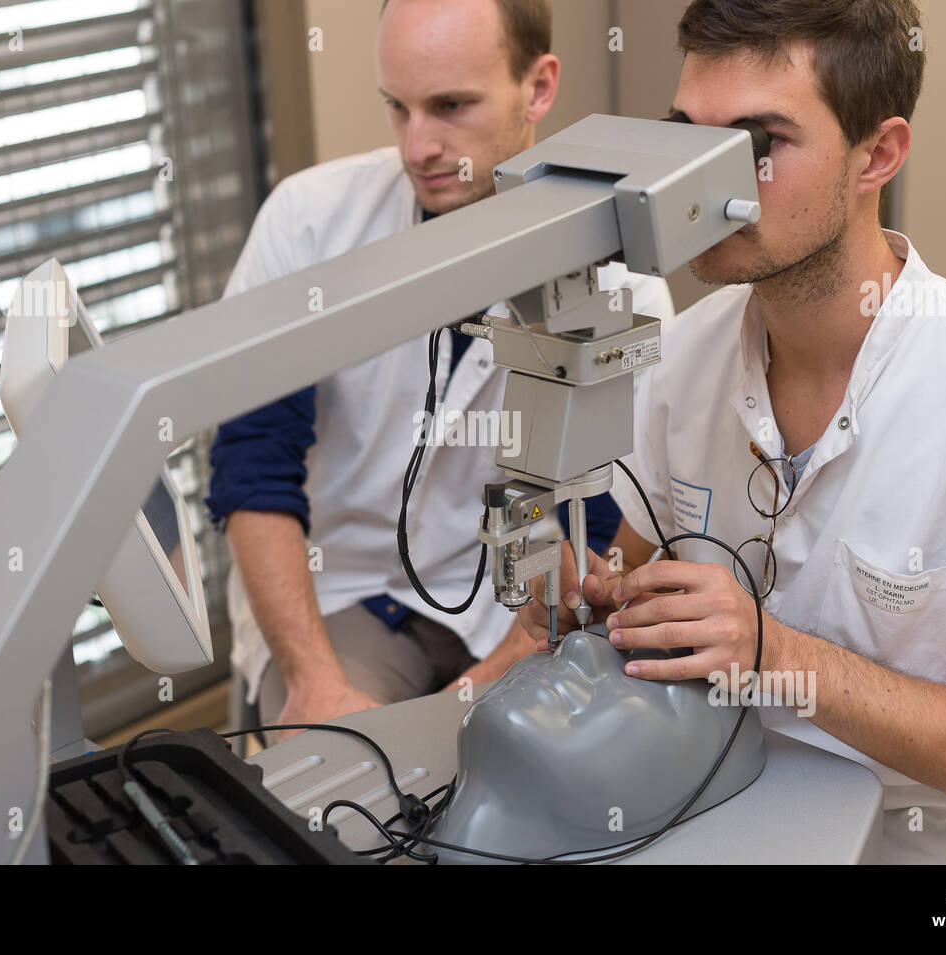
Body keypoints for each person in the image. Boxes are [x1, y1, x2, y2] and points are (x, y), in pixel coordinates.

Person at [522, 0, 946, 864]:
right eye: (687, 135)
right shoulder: (676, 360)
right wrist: (594, 598)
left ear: (878, 155)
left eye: (759, 145)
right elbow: (635, 575)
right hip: (727, 819)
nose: (701, 187)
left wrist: (775, 653)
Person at [206, 0, 675, 741]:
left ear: (539, 86)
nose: (418, 146)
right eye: (398, 108)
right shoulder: (308, 223)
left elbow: (610, 532)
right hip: (340, 597)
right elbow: (251, 459)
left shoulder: (625, 291)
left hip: (512, 613)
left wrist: (473, 698)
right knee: (344, 793)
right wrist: (315, 680)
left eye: (451, 106)